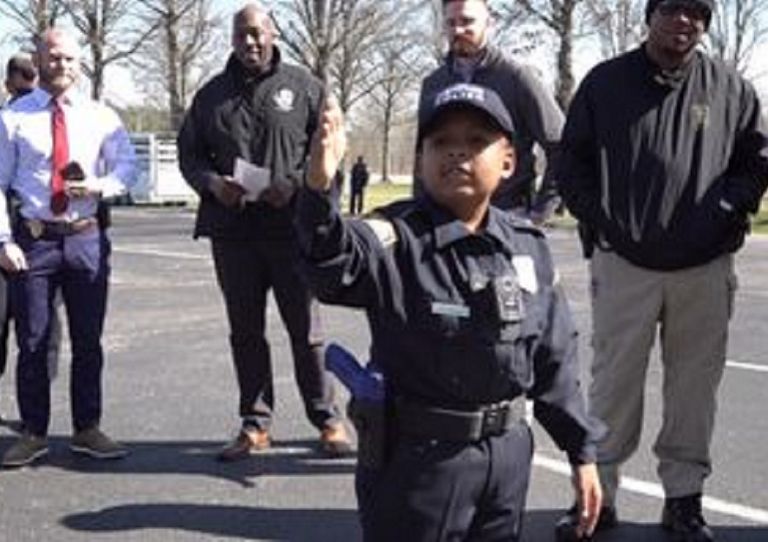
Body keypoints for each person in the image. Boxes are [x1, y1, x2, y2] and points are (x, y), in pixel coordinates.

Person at [297, 82, 604, 541]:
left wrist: (582, 453)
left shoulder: (527, 247)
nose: (457, 153)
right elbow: (333, 261)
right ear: (421, 159)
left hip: (507, 460)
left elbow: (555, 359)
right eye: (441, 142)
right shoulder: (395, 239)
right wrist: (319, 187)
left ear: (509, 161)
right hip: (418, 465)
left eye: (476, 141)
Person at [555, 0, 768, 540]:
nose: (685, 21)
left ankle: (684, 501)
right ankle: (596, 497)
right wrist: (599, 218)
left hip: (704, 268)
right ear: (650, 16)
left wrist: (729, 210)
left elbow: (757, 160)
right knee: (612, 384)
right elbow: (571, 160)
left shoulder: (732, 89)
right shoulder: (606, 84)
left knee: (694, 389)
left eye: (698, 13)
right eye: (673, 9)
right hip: (625, 264)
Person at [177, 2, 350, 461]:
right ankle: (255, 423)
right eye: (240, 35)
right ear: (232, 40)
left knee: (306, 331)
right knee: (245, 332)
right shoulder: (210, 96)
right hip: (233, 235)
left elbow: (331, 152)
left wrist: (296, 189)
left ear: (272, 33)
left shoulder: (306, 87)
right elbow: (189, 156)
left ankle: (327, 418)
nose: (249, 42)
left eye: (256, 32)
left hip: (291, 231)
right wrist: (214, 184)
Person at [0, 28, 136, 468]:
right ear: (38, 60)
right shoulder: (13, 117)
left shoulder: (102, 116)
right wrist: (3, 240)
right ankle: (34, 432)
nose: (61, 65)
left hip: (84, 238)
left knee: (88, 340)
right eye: (53, 57)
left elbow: (128, 167)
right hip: (34, 242)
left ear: (80, 65)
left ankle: (87, 428)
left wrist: (98, 185)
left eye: (69, 59)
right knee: (34, 341)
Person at [413, 0, 564, 224]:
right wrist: (418, 212)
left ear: (489, 24)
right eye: (451, 23)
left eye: (467, 21)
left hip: (505, 215)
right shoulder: (434, 84)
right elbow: (424, 153)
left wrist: (539, 212)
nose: (458, 30)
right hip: (442, 219)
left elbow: (563, 146)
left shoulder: (517, 78)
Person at [0, 53, 63, 424]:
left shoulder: (51, 120)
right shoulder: (10, 122)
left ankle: (34, 409)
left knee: (40, 330)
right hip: (13, 236)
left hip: (34, 240)